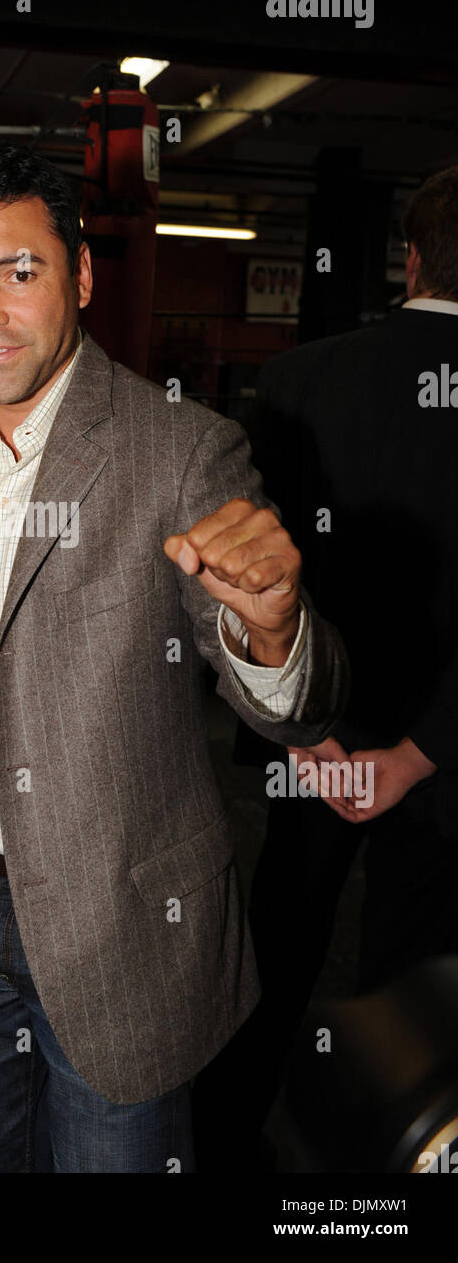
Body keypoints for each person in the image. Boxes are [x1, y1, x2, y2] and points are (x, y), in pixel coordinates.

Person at [0, 140, 348, 1173]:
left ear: (81, 276)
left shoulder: (181, 447)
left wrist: (269, 626)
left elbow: (293, 717)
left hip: (119, 918)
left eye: (20, 270)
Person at [193, 164, 458, 1170]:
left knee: (277, 939)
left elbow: (250, 563)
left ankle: (220, 1138)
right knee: (417, 968)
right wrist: (419, 754)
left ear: (411, 257)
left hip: (319, 723)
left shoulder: (304, 377)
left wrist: (308, 734)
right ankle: (393, 1155)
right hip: (442, 755)